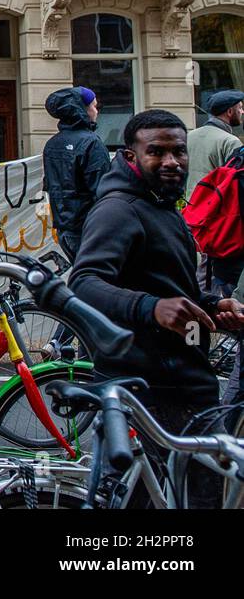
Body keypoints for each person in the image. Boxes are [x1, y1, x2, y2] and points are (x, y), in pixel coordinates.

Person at [71, 111, 244, 506]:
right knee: (200, 497)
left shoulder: (160, 204)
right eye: (157, 152)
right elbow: (83, 282)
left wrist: (214, 306)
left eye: (178, 151)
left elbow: (167, 287)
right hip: (152, 386)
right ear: (131, 157)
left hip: (179, 379)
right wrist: (152, 308)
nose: (171, 161)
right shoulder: (118, 209)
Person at [187, 90, 244, 299]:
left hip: (192, 214)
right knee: (213, 269)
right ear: (230, 111)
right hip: (218, 217)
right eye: (240, 108)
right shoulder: (230, 142)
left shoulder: (189, 136)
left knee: (202, 266)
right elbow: (233, 186)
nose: (242, 112)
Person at [42, 86, 110, 261]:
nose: (96, 111)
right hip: (90, 229)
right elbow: (103, 190)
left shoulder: (52, 144)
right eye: (94, 106)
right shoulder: (91, 143)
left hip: (64, 228)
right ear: (82, 109)